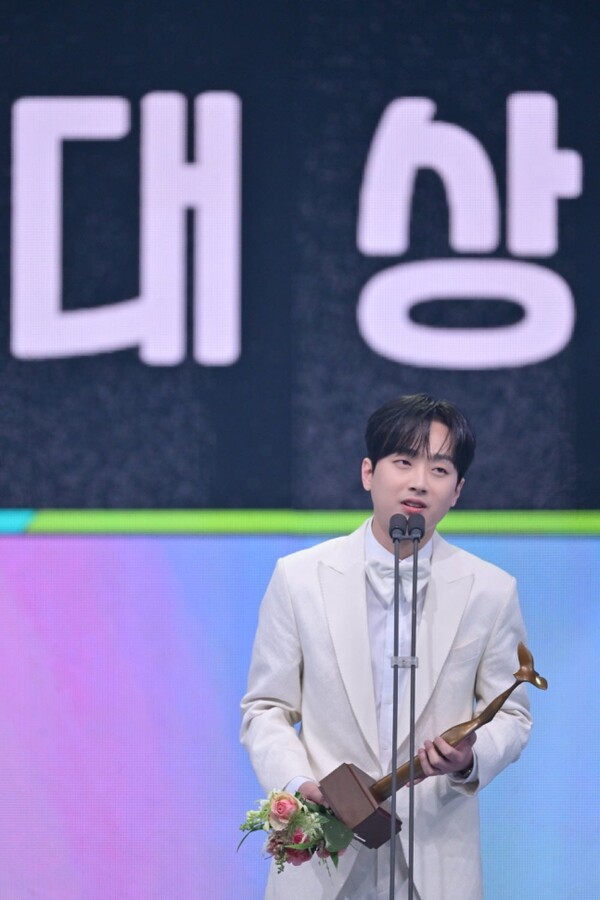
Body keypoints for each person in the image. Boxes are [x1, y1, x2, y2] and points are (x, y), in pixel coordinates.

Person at [240, 394, 531, 899]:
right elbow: (266, 708)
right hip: (326, 857)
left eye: (439, 469)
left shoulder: (490, 590)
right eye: (403, 462)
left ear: (457, 491)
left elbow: (513, 713)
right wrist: (298, 783)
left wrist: (469, 757)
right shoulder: (300, 578)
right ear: (368, 473)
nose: (419, 482)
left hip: (436, 864)